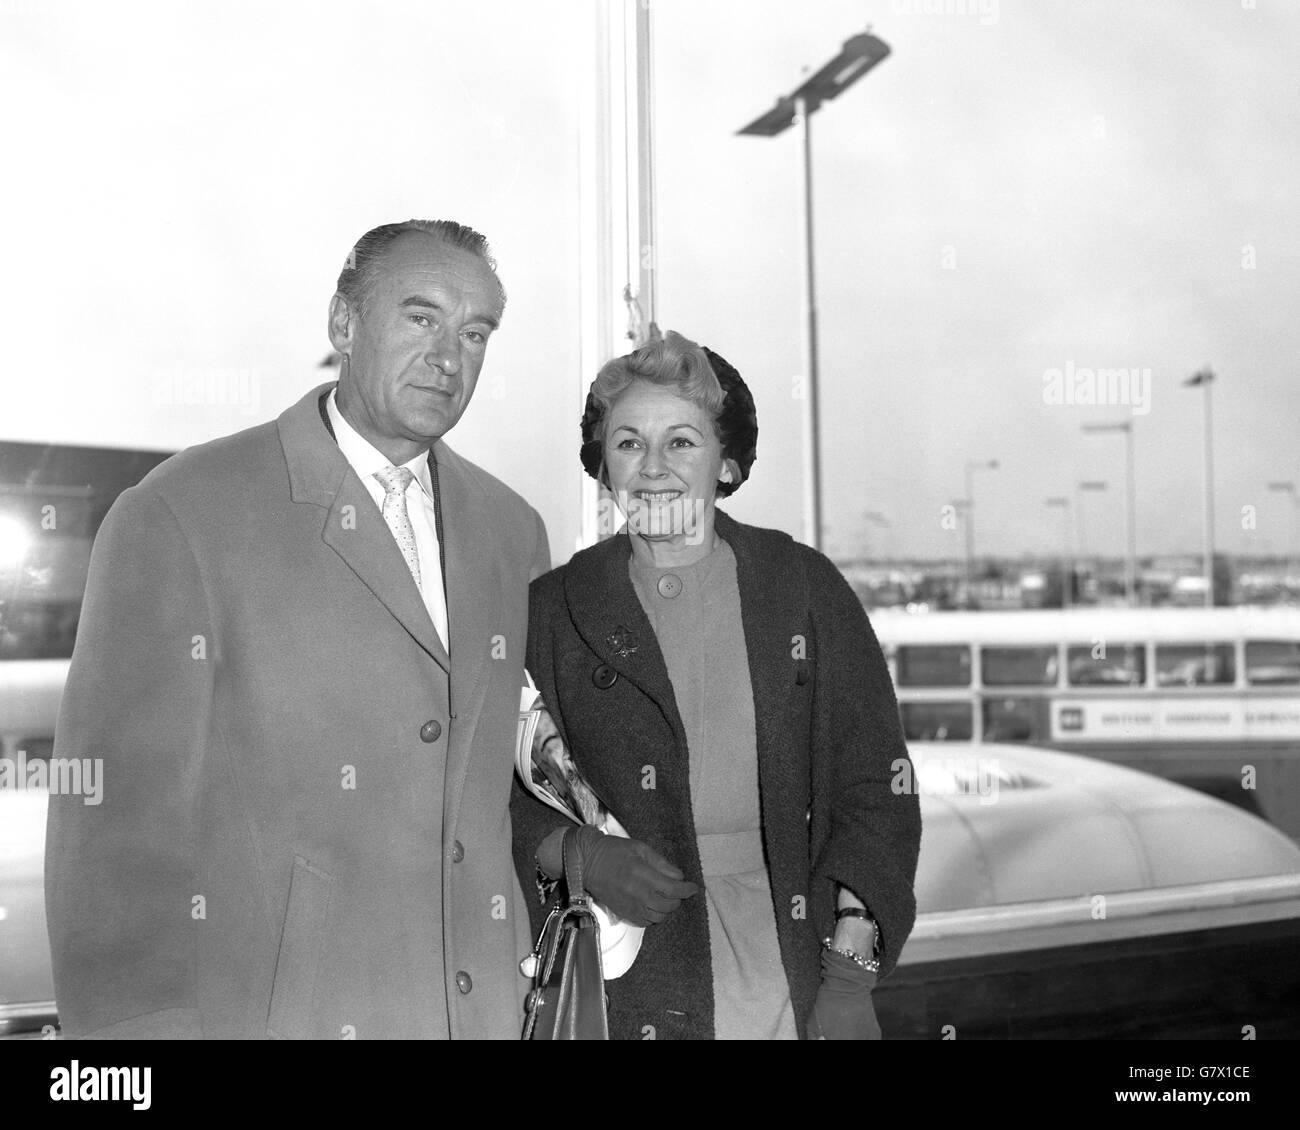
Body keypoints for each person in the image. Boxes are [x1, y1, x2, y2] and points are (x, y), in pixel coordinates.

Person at [45, 219, 550, 1039]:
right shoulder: (181, 513)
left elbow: (516, 788)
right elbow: (114, 832)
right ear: (343, 325)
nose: (450, 357)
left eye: (475, 332)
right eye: (420, 318)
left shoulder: (510, 529)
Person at [511, 331, 921, 1040]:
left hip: (792, 961)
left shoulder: (802, 589)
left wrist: (850, 971)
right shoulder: (553, 610)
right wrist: (581, 855)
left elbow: (874, 787)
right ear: (602, 464)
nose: (653, 468)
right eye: (629, 444)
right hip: (623, 976)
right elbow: (493, 794)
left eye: (682, 443)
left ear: (726, 463)